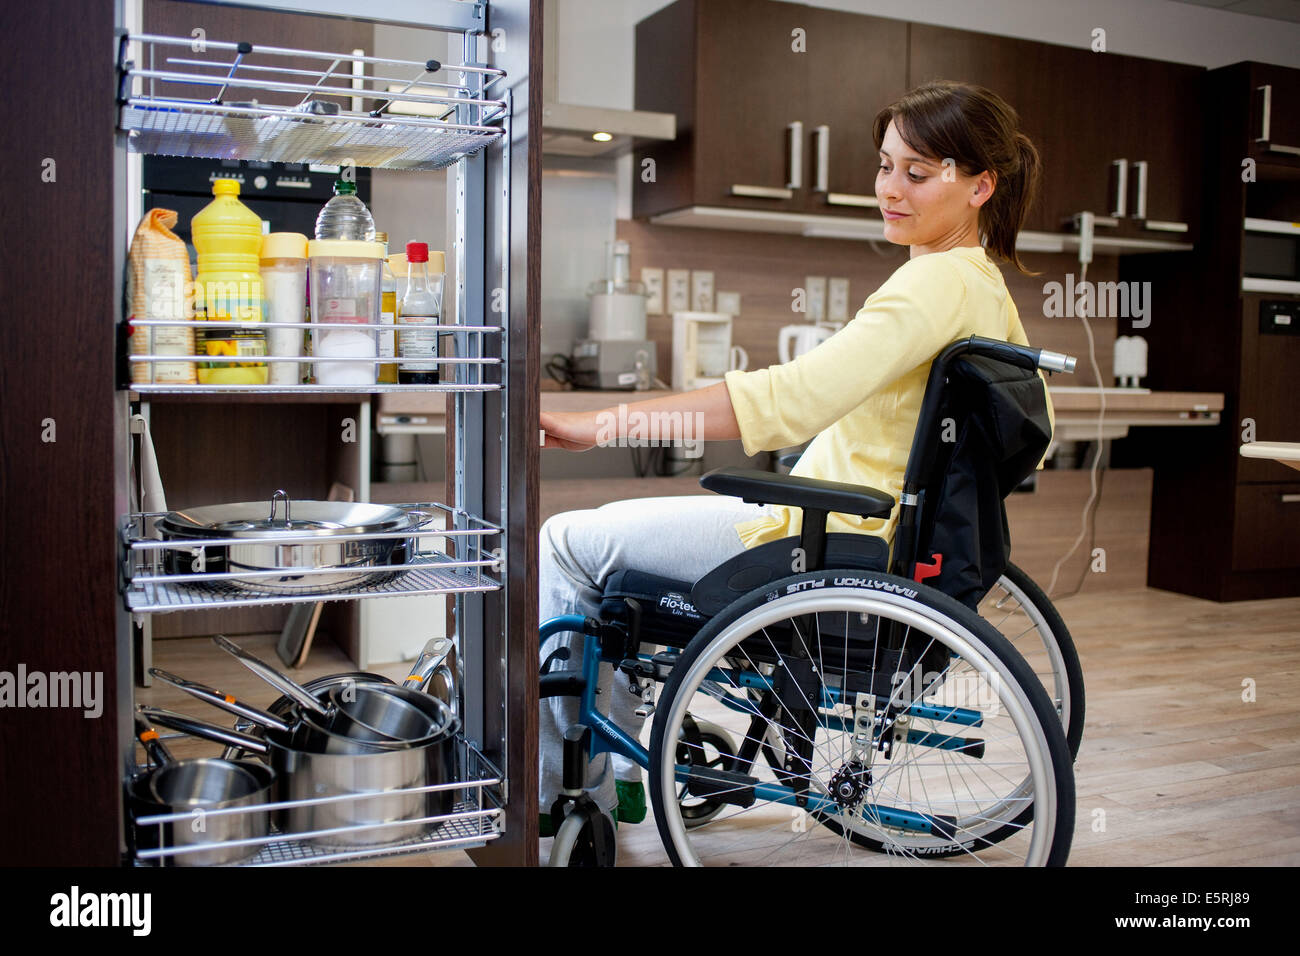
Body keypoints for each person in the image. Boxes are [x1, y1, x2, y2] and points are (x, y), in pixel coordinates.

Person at [536, 80, 1056, 834]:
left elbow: (789, 399)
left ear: (981, 185)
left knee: (566, 543)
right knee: (609, 530)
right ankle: (614, 767)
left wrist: (602, 423)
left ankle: (573, 789)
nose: (891, 188)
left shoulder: (929, 283)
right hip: (879, 534)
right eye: (885, 165)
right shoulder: (985, 290)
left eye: (919, 172)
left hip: (819, 535)